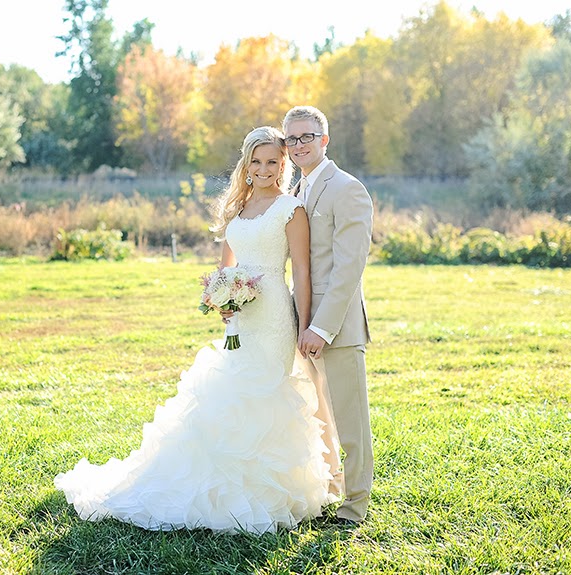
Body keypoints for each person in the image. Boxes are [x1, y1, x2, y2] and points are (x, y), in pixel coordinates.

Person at [54, 126, 336, 534]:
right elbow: (226, 263)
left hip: (273, 312)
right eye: (256, 161)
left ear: (284, 164)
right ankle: (219, 484)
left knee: (268, 390)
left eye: (273, 161)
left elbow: (303, 272)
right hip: (240, 314)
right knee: (232, 387)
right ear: (246, 164)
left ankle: (272, 489)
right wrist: (221, 297)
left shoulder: (291, 210)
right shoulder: (237, 211)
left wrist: (304, 324)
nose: (264, 169)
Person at [283, 105, 374, 524]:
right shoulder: (295, 189)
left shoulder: (347, 189)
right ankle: (332, 487)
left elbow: (348, 268)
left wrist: (321, 326)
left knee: (349, 418)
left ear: (324, 140)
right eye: (291, 139)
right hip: (299, 322)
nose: (298, 145)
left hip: (335, 325)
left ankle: (355, 506)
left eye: (306, 137)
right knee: (317, 413)